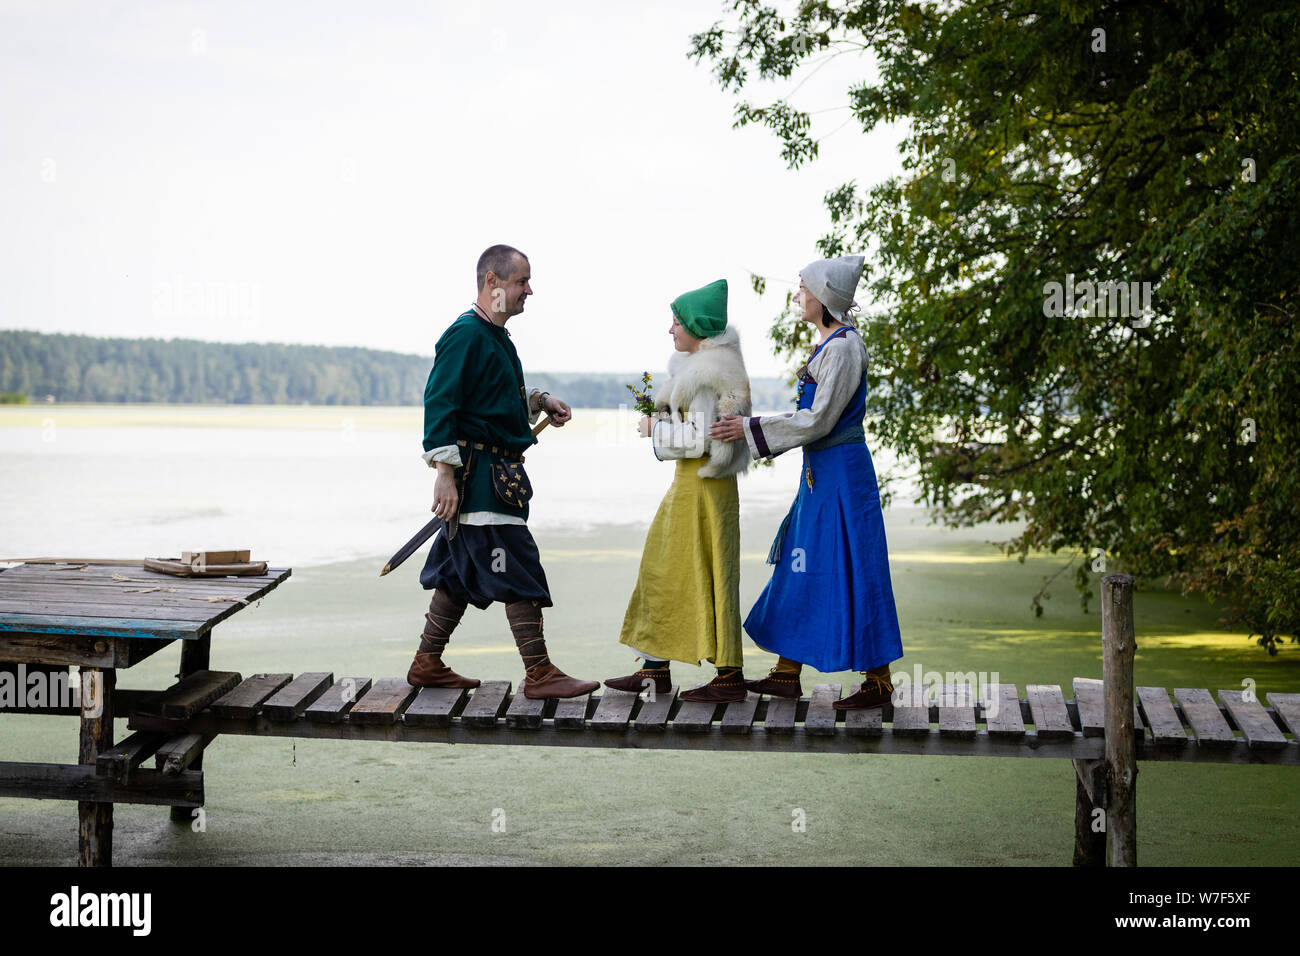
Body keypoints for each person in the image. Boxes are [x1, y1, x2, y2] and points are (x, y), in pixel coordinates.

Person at [405, 244, 599, 700]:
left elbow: (490, 394)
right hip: (481, 481)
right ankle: (540, 673)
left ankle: (426, 662)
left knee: (456, 573)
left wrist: (537, 401)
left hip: (497, 477)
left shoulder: (495, 337)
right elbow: (440, 404)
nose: (529, 290)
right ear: (492, 282)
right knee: (518, 568)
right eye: (521, 281)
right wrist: (445, 473)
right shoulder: (465, 335)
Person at [710, 255, 903, 709]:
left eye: (803, 288)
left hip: (842, 475)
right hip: (822, 473)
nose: (797, 295)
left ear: (824, 297)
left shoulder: (842, 348)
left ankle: (879, 681)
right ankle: (785, 671)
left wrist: (749, 429)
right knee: (801, 559)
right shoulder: (832, 344)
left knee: (855, 564)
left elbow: (819, 420)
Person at [604, 279, 753, 703]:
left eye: (676, 322)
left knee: (712, 572)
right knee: (666, 566)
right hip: (694, 485)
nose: (670, 330)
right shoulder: (699, 368)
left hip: (703, 485)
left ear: (696, 326)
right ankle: (655, 669)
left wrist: (655, 429)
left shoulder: (706, 376)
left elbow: (700, 438)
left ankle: (729, 675)